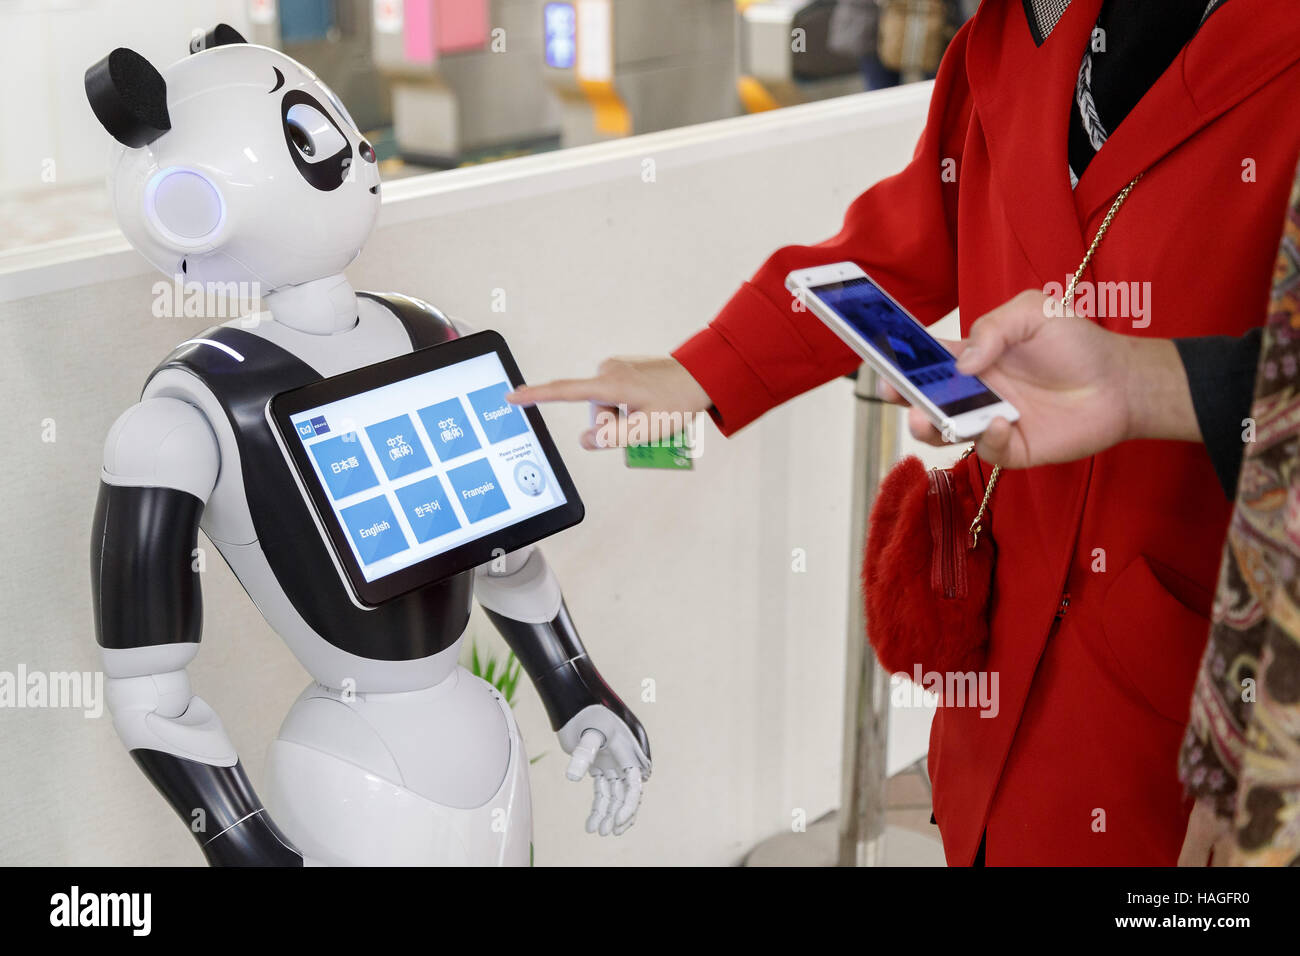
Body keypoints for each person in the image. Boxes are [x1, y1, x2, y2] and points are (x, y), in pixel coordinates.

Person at [510, 0, 1300, 865]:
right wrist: (704, 372)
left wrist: (1250, 766)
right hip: (1001, 657)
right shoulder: (1014, 36)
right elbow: (908, 238)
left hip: (1203, 695)